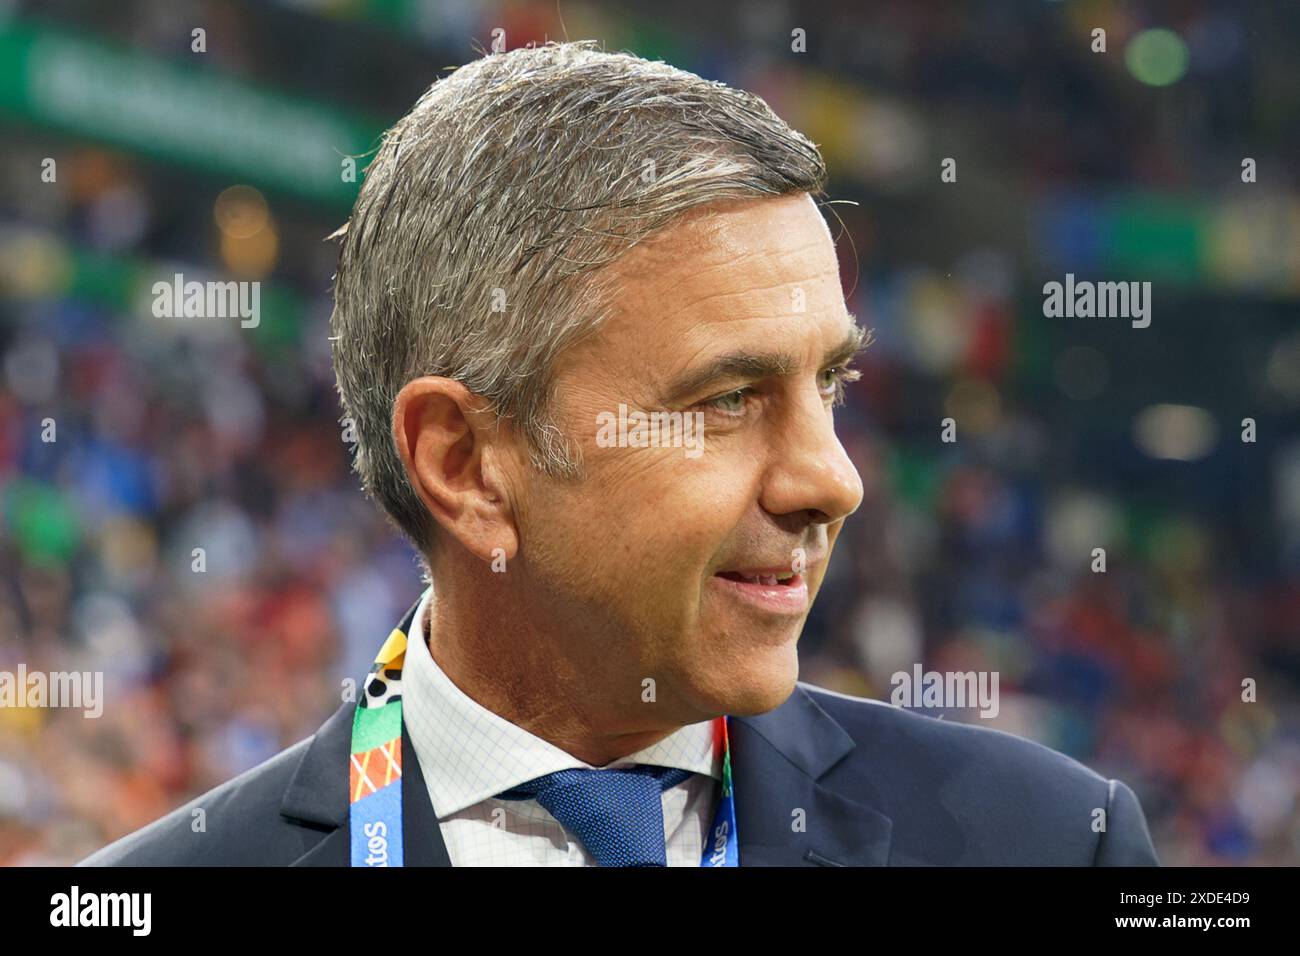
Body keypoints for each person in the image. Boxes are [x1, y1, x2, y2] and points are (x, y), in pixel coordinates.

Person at [81, 41, 1158, 867]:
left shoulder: (1056, 841)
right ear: (465, 466)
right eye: (730, 398)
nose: (832, 477)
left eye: (828, 382)